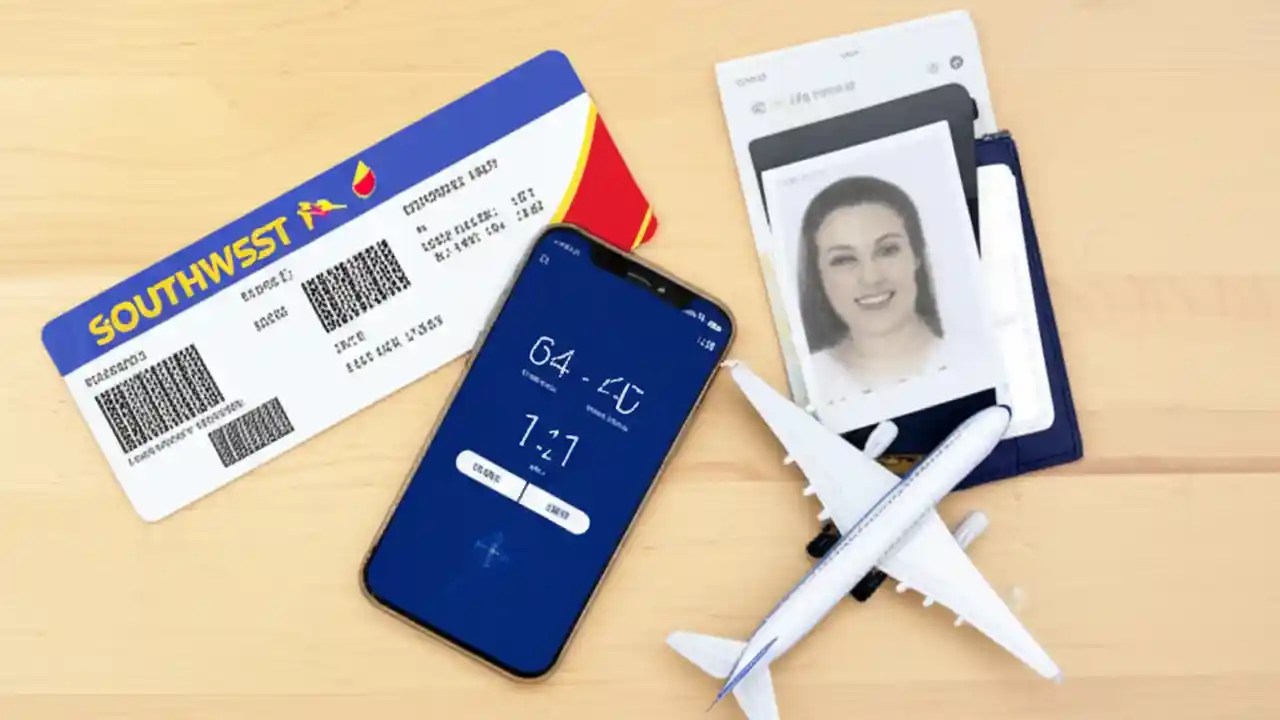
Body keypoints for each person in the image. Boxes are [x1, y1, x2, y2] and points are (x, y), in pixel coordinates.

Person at [796, 176, 944, 400]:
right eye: (844, 260)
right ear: (818, 275)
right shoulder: (807, 384)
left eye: (887, 250)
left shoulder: (976, 360)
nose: (871, 277)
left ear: (916, 255)